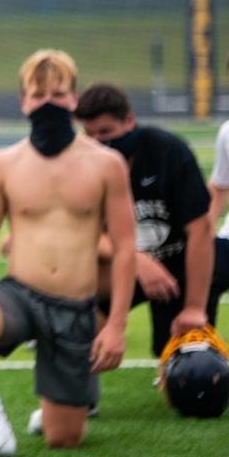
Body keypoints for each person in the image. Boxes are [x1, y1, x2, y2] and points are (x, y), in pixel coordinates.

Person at [0, 50, 134, 457]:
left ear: (74, 99)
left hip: (74, 308)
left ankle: (62, 405)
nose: (48, 102)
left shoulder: (107, 164)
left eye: (59, 93)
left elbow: (123, 251)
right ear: (23, 102)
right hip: (20, 297)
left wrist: (116, 324)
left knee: (62, 438)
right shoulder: (3, 164)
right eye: (38, 94)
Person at [74, 82, 214, 355]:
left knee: (188, 373)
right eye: (89, 134)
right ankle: (83, 353)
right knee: (64, 286)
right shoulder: (81, 161)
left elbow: (201, 229)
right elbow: (82, 235)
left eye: (106, 132)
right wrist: (137, 258)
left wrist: (194, 307)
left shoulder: (168, 150)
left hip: (177, 267)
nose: (98, 142)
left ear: (128, 119)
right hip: (125, 266)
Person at [205, 49, 229, 307]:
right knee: (197, 273)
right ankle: (198, 346)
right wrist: (201, 230)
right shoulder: (228, 132)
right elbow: (220, 186)